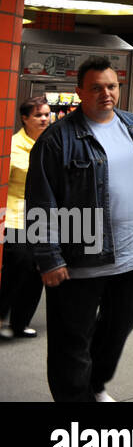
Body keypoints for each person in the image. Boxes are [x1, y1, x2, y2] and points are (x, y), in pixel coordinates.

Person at [24, 56, 133, 402]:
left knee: (120, 325)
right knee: (70, 339)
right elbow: (40, 201)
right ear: (79, 92)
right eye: (96, 88)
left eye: (111, 86)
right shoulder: (58, 139)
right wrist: (49, 259)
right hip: (80, 256)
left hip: (132, 256)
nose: (106, 94)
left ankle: (94, 384)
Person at [0, 97, 52, 339]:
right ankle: (2, 315)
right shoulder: (12, 145)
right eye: (38, 115)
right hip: (14, 216)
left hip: (43, 217)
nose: (44, 119)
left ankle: (21, 322)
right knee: (17, 265)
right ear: (25, 118)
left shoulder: (52, 143)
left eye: (46, 114)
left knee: (37, 270)